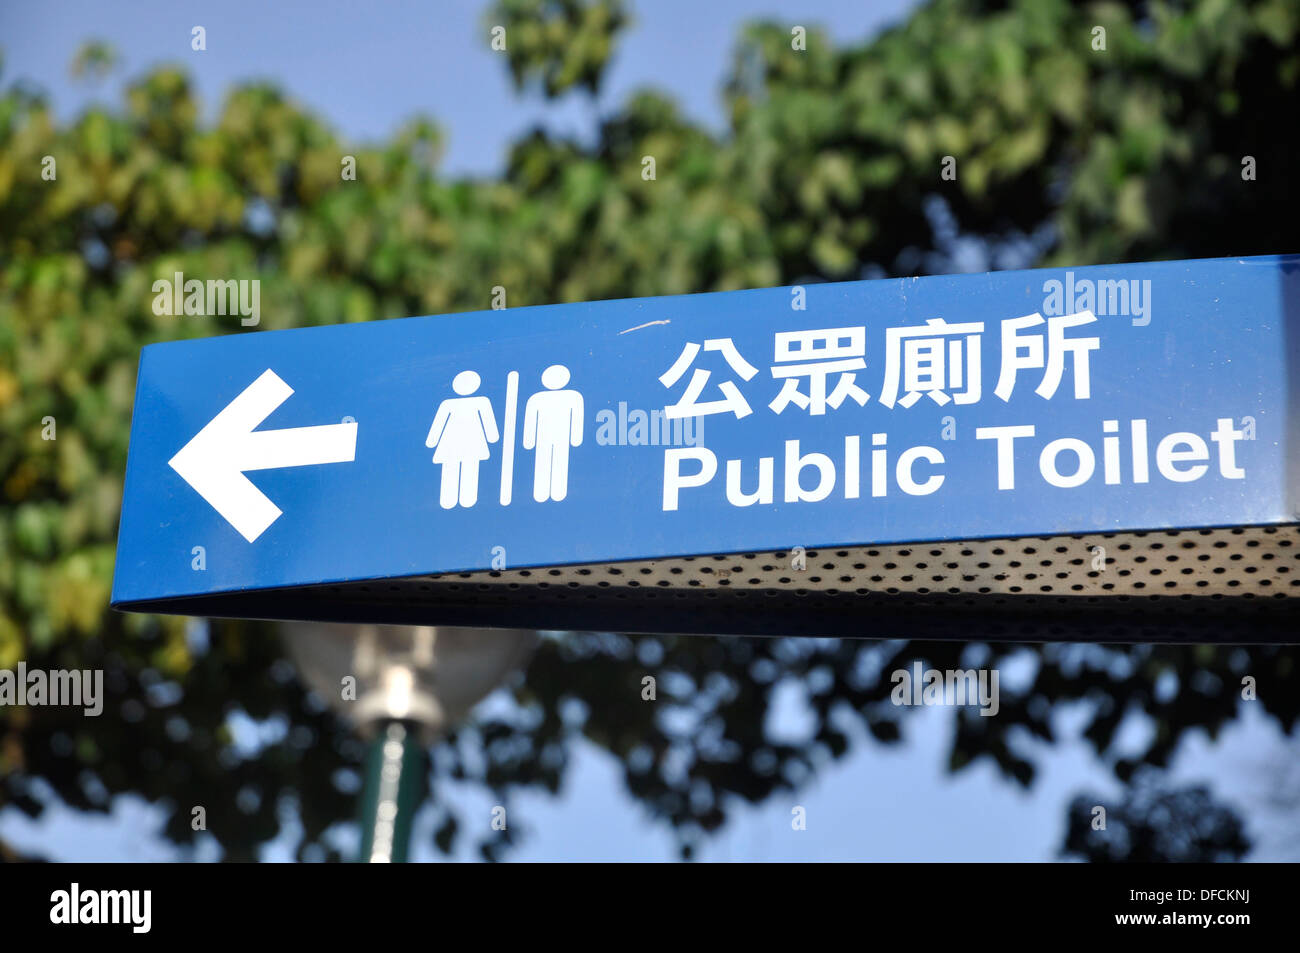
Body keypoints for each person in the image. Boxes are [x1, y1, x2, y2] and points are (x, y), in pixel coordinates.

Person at [426, 370, 498, 509]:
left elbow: (488, 421)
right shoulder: (448, 404)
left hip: (472, 442)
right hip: (452, 443)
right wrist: (432, 441)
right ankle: (449, 500)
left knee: (470, 468)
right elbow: (438, 423)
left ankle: (467, 499)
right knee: (452, 468)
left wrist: (492, 436)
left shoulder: (481, 401)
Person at [522, 364, 584, 502]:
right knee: (542, 463)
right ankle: (540, 493)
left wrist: (575, 438)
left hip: (561, 437)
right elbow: (531, 420)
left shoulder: (573, 396)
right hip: (542, 439)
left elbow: (577, 418)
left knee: (560, 462)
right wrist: (529, 441)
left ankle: (558, 492)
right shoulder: (536, 398)